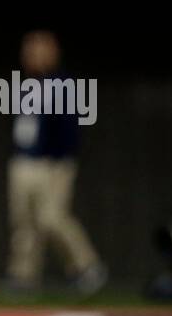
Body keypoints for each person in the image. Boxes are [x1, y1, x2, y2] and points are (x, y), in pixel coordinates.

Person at [6, 30, 106, 295]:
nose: (33, 56)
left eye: (40, 50)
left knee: (52, 218)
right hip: (23, 161)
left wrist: (61, 161)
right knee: (24, 223)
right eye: (29, 50)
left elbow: (70, 129)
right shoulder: (26, 83)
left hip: (53, 163)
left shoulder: (63, 84)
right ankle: (23, 276)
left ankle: (87, 266)